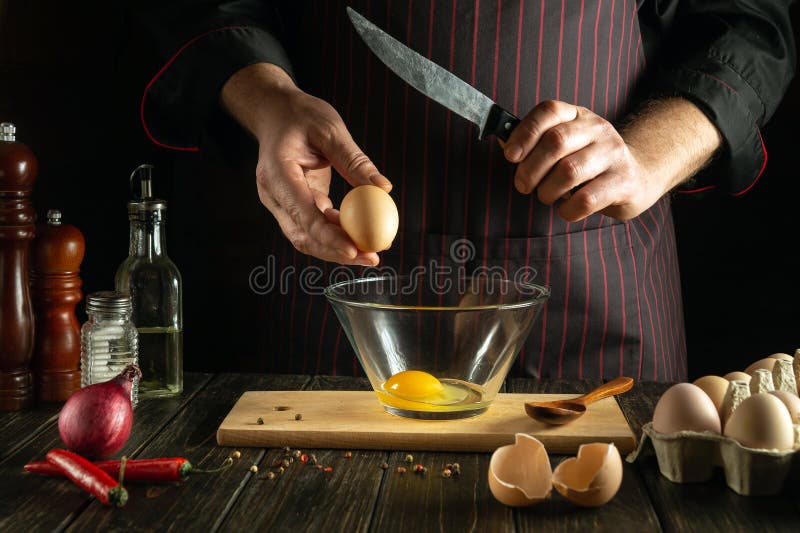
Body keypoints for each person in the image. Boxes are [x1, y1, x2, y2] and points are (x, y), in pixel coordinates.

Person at [135, 1, 795, 380]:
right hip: (345, 300)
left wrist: (647, 156)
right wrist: (268, 98)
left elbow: (753, 21)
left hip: (594, 301)